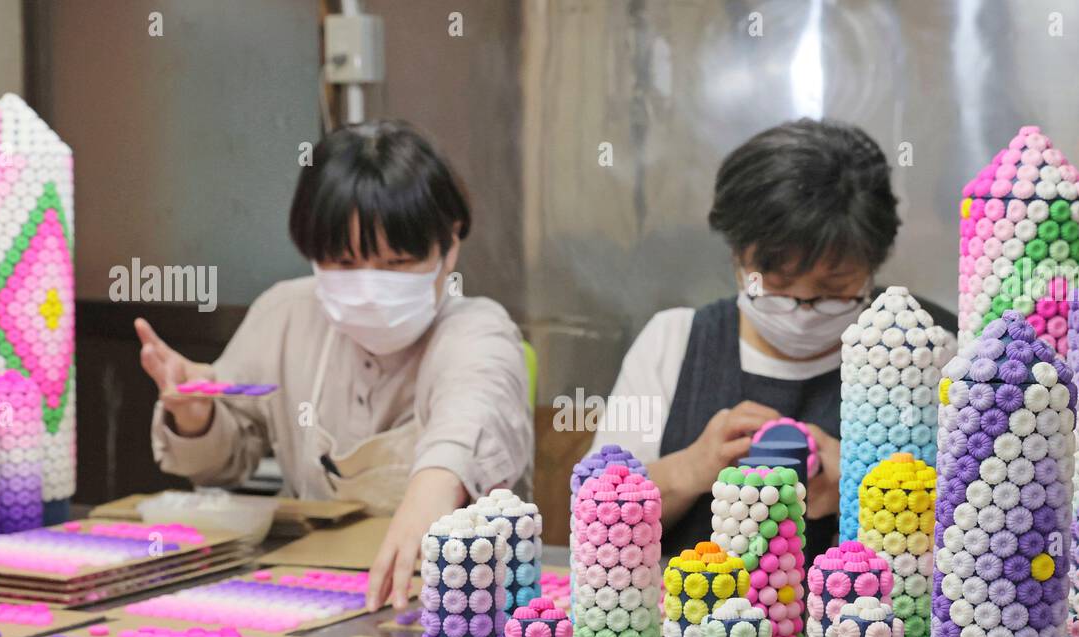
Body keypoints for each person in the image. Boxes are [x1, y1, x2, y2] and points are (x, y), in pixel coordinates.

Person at [136, 121, 532, 611]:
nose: (368, 285)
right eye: (344, 264)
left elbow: (471, 418)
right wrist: (197, 417)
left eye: (395, 264)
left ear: (449, 246)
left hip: (460, 612)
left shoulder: (478, 330)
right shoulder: (285, 314)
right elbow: (225, 461)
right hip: (317, 596)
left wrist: (431, 494)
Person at [592, 118, 954, 557]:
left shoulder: (928, 352)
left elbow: (975, 536)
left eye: (834, 289)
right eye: (778, 286)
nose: (803, 309)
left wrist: (868, 492)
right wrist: (691, 468)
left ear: (872, 266)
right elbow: (596, 523)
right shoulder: (674, 342)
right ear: (736, 258)